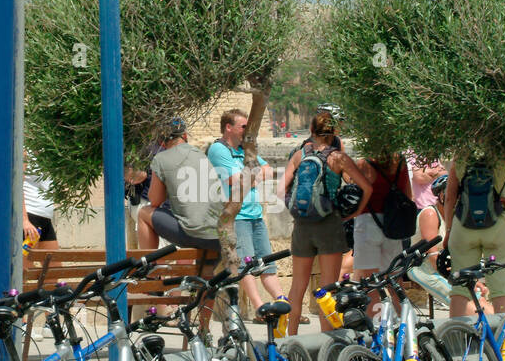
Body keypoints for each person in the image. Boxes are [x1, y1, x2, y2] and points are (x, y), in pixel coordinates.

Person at [277, 110, 371, 335]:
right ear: (334, 132)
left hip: (302, 227)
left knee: (297, 287)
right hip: (329, 225)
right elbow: (366, 188)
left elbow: (281, 189)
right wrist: (353, 212)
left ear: (311, 131)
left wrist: (297, 210)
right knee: (327, 289)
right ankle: (327, 340)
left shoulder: (299, 155)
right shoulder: (338, 158)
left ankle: (290, 341)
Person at [206, 108, 287, 317]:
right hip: (237, 217)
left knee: (266, 264)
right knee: (246, 264)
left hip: (256, 215)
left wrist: (251, 176)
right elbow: (234, 180)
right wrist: (254, 176)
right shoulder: (218, 150)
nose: (247, 130)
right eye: (244, 126)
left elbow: (268, 171)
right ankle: (259, 307)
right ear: (229, 127)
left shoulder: (246, 150)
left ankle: (282, 301)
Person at [439, 157, 505, 318]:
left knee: (460, 289)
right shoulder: (501, 153)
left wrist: (449, 230)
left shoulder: (460, 156)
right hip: (497, 225)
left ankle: (456, 337)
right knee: (501, 290)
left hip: (463, 226)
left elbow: (450, 197)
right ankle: (502, 339)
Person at [137, 118, 223, 252]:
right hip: (218, 236)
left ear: (161, 142)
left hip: (192, 235)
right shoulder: (201, 155)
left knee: (143, 212)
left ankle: (149, 270)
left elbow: (155, 200)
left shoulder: (160, 159)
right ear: (185, 135)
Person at [352, 151, 415, 315]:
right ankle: (405, 326)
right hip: (393, 226)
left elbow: (357, 197)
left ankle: (374, 332)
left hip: (368, 224)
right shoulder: (400, 162)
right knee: (394, 281)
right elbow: (408, 195)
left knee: (370, 284)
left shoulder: (364, 164)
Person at [408, 155, 447, 260]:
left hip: (438, 207)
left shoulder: (437, 159)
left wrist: (429, 173)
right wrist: (437, 173)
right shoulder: (414, 157)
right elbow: (419, 177)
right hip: (423, 208)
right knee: (427, 245)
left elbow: (445, 174)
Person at [22, 155, 59, 250]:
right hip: (31, 218)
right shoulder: (25, 152)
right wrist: (25, 220)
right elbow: (17, 185)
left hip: (46, 219)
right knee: (27, 264)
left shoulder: (47, 151)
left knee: (54, 263)